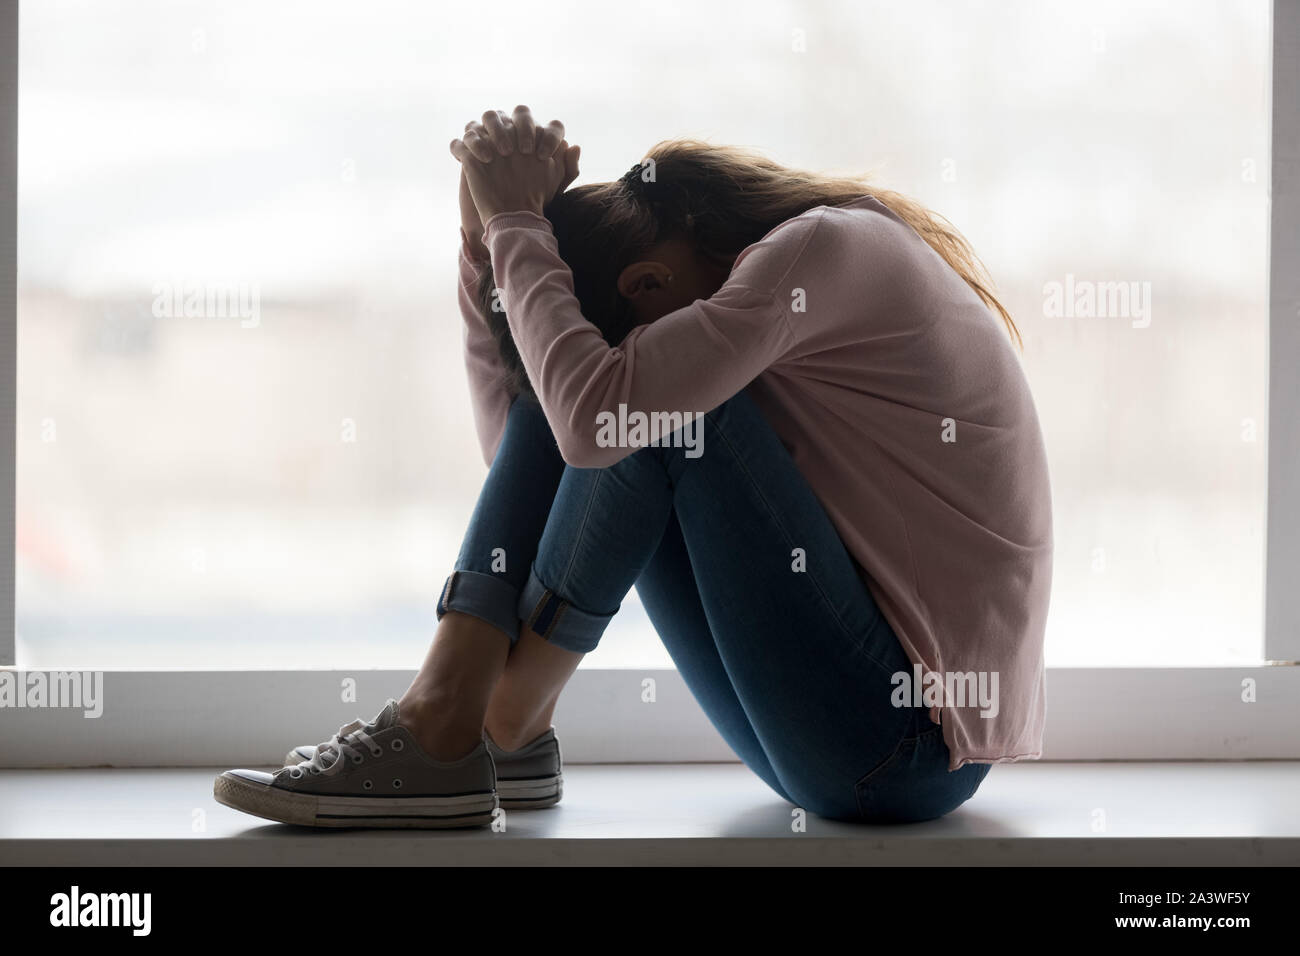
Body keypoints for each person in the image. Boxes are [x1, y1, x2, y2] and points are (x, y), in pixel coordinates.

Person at [214, 105, 1053, 829]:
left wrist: (517, 227)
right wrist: (485, 251)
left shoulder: (826, 251)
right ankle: (498, 732)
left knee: (647, 408)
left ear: (649, 277)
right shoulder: (766, 275)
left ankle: (465, 723)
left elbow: (592, 426)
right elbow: (528, 447)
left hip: (903, 746)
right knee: (605, 396)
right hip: (837, 740)